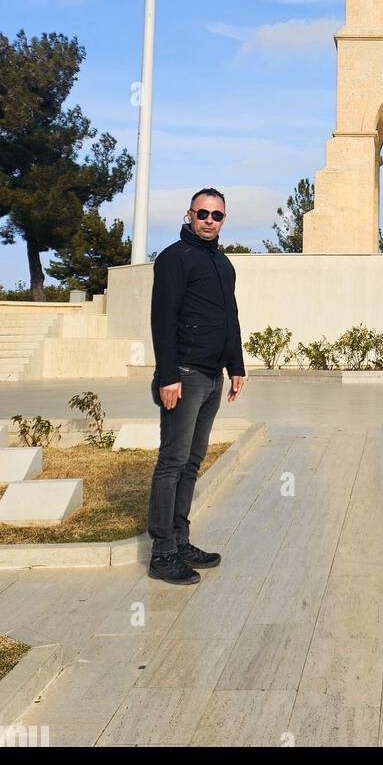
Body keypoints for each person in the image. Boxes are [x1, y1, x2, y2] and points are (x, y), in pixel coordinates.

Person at [147, 187, 246, 584]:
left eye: (216, 215)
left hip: (212, 376)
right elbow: (162, 318)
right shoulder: (173, 258)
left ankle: (181, 540)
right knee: (171, 462)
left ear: (224, 219)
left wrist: (236, 366)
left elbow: (231, 317)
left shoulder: (223, 262)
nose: (209, 220)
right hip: (184, 375)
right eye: (202, 213)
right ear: (189, 214)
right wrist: (167, 375)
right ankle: (162, 552)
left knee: (191, 461)